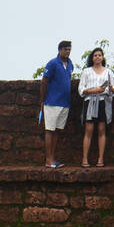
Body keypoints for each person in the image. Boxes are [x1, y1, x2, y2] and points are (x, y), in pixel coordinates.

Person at [39, 40, 74, 168]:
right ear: (59, 50)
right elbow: (44, 81)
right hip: (52, 102)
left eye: (69, 49)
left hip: (65, 103)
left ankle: (53, 158)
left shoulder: (70, 65)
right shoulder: (53, 63)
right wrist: (42, 101)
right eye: (65, 49)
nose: (67, 51)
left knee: (57, 131)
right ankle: (48, 160)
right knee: (50, 130)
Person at [79, 48, 114, 167]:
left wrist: (111, 89)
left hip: (103, 101)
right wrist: (95, 90)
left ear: (103, 57)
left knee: (101, 130)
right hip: (90, 101)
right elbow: (81, 90)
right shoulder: (86, 71)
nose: (97, 57)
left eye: (100, 55)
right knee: (88, 130)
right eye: (95, 55)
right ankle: (84, 159)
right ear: (92, 58)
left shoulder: (108, 72)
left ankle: (100, 159)